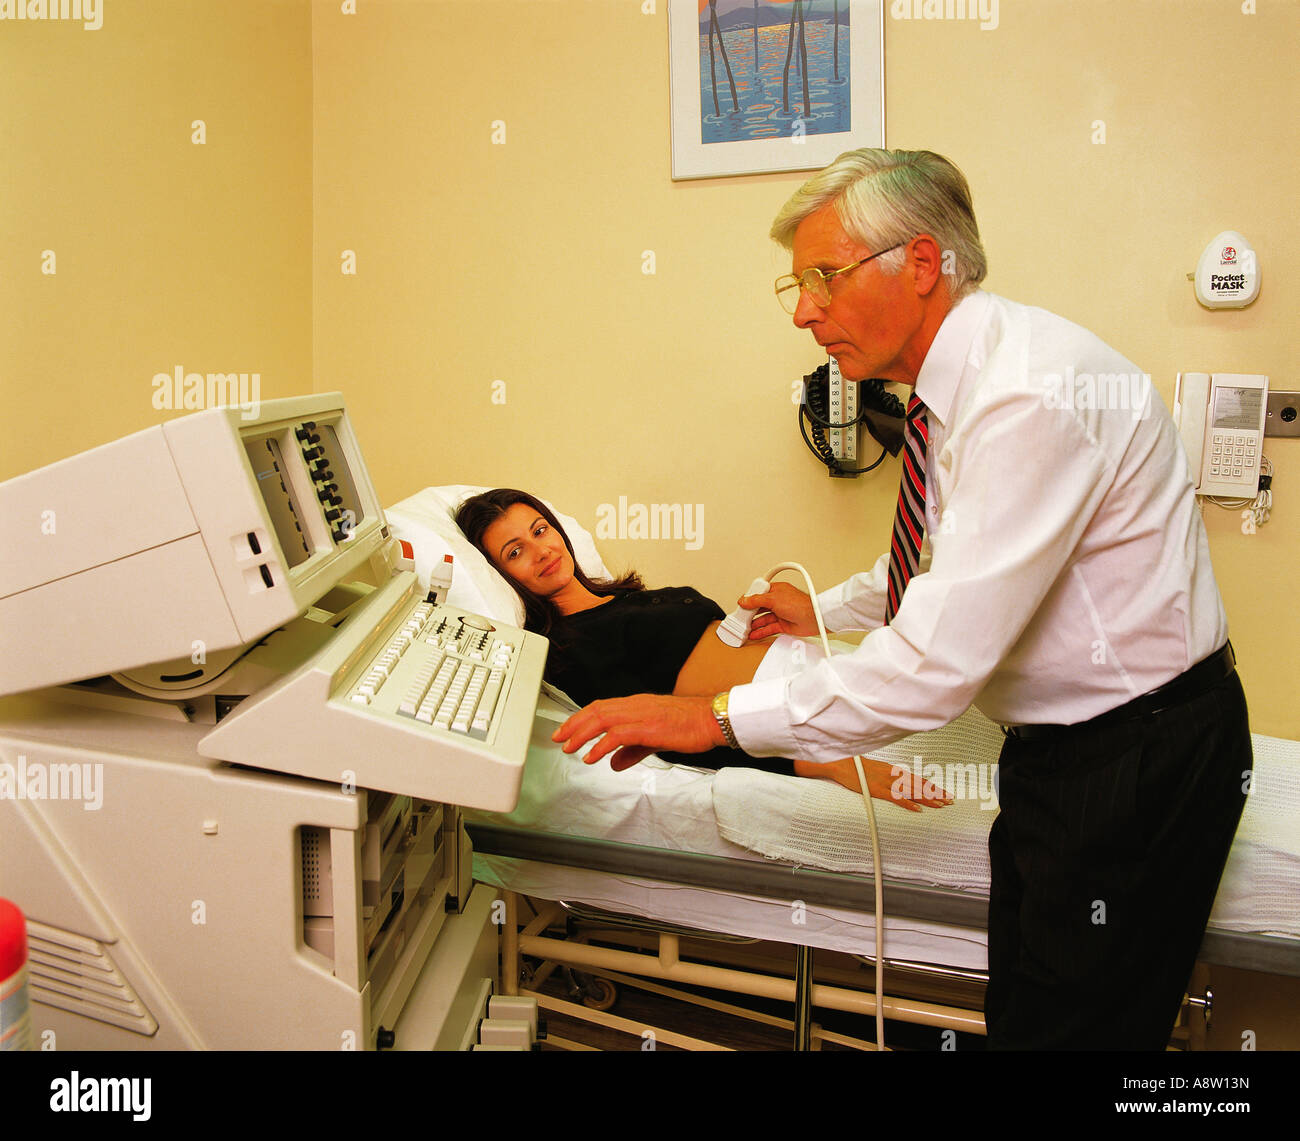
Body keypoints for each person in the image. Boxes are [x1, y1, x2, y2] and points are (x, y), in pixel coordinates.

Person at [551, 148, 1252, 1050]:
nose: (804, 311)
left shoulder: (1026, 397)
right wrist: (829, 609)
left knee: (1076, 1029)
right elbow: (957, 562)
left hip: (1134, 757)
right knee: (1033, 1012)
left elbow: (933, 666)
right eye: (795, 286)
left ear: (920, 265)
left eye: (822, 278)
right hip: (1067, 752)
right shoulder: (957, 391)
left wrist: (710, 720)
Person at [454, 487, 951, 810]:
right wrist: (818, 761)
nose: (541, 550)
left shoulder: (622, 598)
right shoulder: (565, 649)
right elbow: (664, 729)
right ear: (500, 577)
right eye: (514, 551)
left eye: (540, 530)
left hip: (842, 675)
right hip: (801, 718)